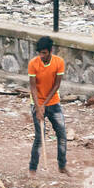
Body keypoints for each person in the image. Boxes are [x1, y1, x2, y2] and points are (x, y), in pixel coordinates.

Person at [27, 35, 67, 175]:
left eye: (44, 53)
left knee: (62, 135)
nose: (41, 56)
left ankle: (62, 166)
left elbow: (56, 85)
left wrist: (45, 104)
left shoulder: (59, 62)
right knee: (40, 137)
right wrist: (38, 108)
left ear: (50, 51)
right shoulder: (33, 63)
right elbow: (32, 87)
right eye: (40, 53)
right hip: (36, 102)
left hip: (53, 102)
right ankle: (32, 168)